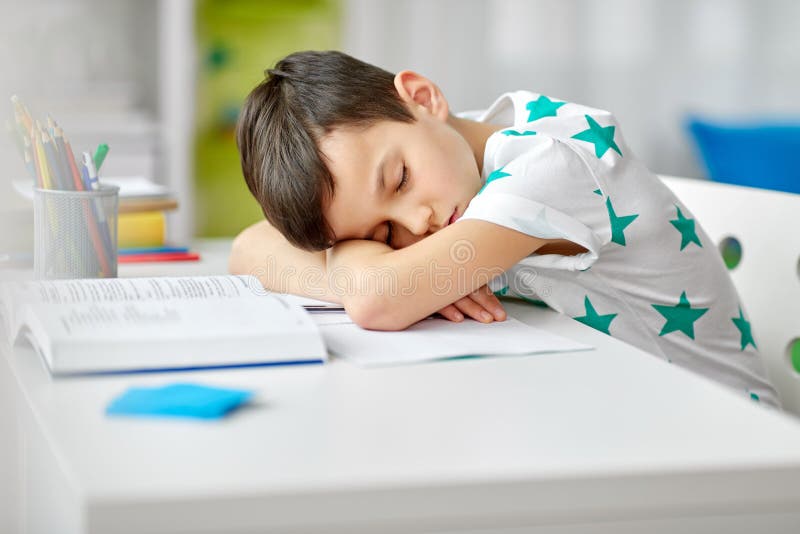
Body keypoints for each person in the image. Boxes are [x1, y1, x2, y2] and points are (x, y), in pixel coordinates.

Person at [230, 50, 780, 407]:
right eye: (380, 234)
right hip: (615, 407)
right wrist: (364, 263)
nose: (416, 224)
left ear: (422, 98)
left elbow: (378, 301)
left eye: (399, 180)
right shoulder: (454, 146)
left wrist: (360, 263)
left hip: (727, 442)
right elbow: (246, 248)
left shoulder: (549, 165)